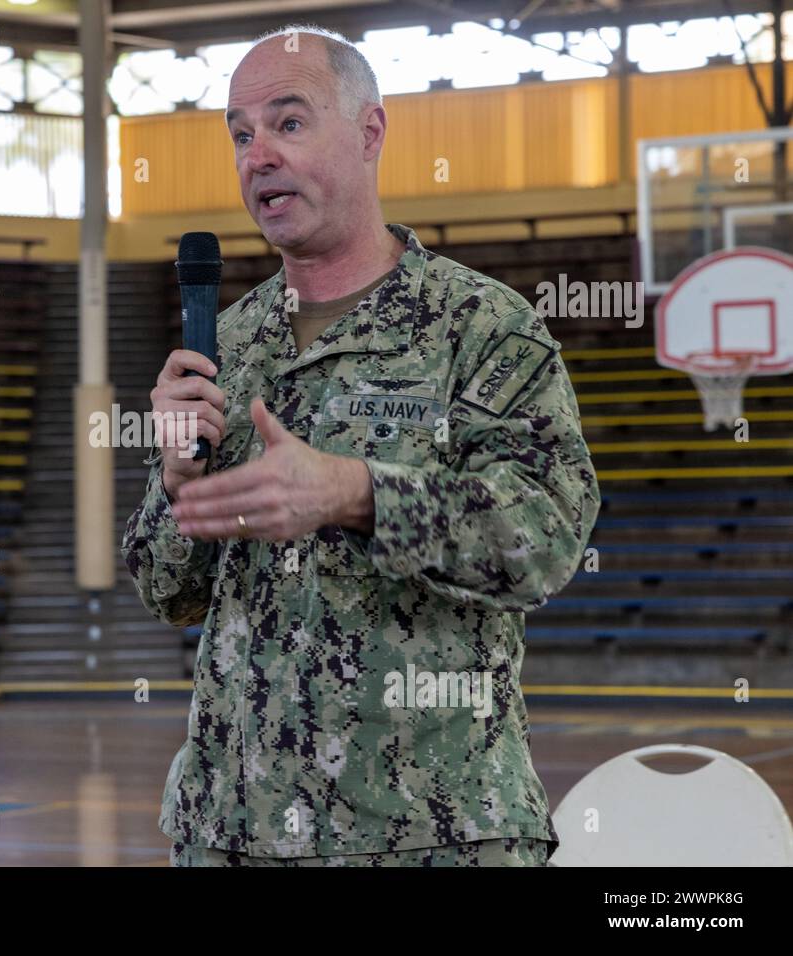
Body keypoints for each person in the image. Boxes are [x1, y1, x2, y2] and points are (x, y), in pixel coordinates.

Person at [121, 25, 600, 867]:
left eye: (288, 123)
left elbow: (547, 538)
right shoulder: (225, 345)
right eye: (241, 134)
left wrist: (358, 494)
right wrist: (175, 475)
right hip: (231, 830)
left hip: (431, 834)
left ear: (370, 132)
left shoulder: (481, 326)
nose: (259, 155)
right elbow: (171, 594)